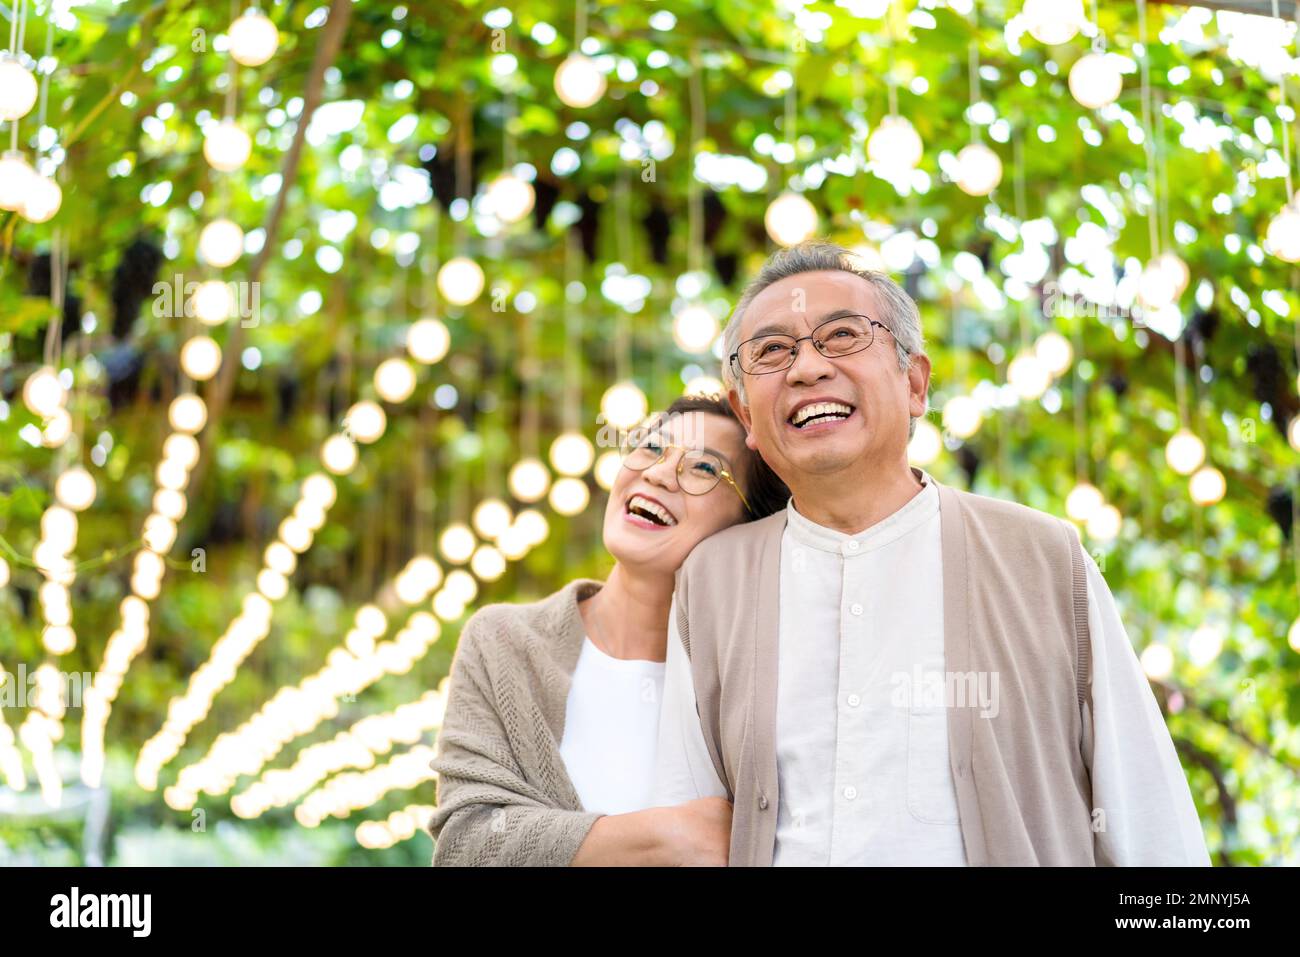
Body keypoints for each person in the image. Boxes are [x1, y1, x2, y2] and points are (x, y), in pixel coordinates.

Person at [653, 240, 1212, 866]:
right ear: (745, 415)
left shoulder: (1043, 558)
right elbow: (686, 820)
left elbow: (1148, 820)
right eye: (772, 351)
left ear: (914, 383)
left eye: (841, 336)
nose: (806, 368)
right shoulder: (712, 582)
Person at [425, 393, 789, 865]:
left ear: (749, 525)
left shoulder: (761, 677)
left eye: (702, 468)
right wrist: (668, 836)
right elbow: (467, 841)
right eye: (652, 448)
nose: (658, 473)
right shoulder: (504, 641)